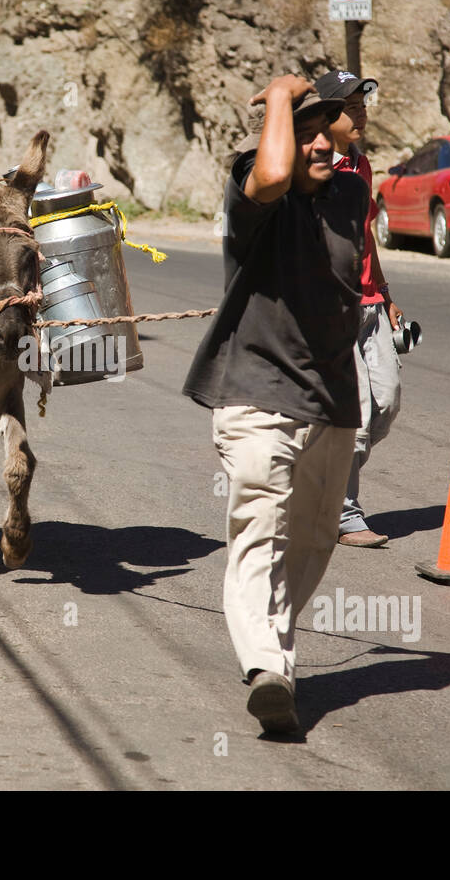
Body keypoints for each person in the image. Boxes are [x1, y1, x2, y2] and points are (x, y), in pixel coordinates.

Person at [182, 75, 369, 735]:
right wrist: (282, 99)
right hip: (255, 396)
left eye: (329, 129)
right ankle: (266, 666)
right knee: (259, 531)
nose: (319, 143)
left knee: (314, 541)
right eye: (304, 129)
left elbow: (351, 134)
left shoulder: (352, 192)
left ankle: (276, 662)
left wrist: (330, 106)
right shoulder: (257, 192)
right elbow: (275, 169)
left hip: (332, 402)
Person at [313, 69, 404, 549]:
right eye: (351, 106)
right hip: (334, 310)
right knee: (357, 417)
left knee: (386, 403)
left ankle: (320, 486)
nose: (362, 112)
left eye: (363, 103)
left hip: (370, 305)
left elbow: (366, 233)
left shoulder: (362, 166)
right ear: (327, 117)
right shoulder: (313, 171)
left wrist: (385, 292)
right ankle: (343, 513)